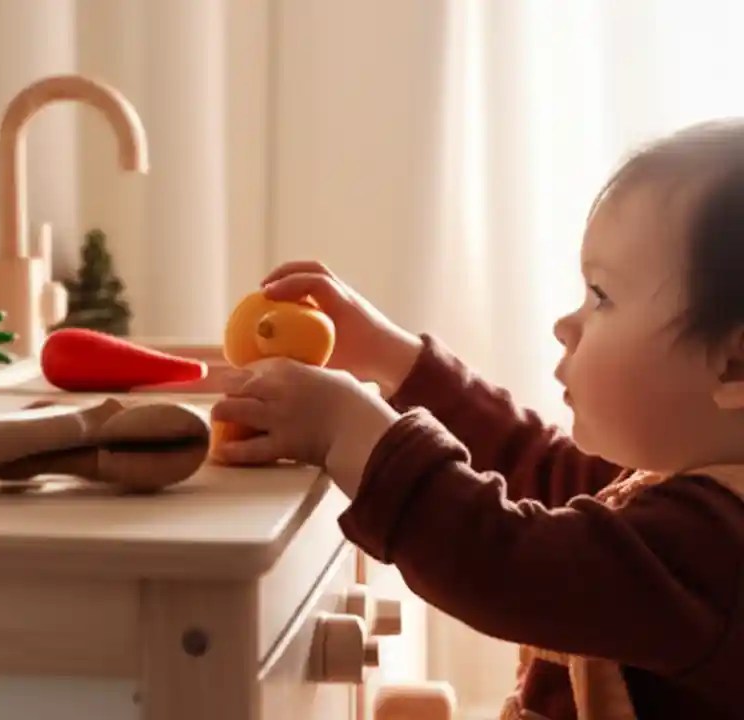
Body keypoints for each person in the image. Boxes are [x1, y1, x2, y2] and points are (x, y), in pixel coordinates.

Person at [211, 119, 744, 719]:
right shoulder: (685, 495)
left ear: (732, 367)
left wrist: (351, 433)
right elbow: (540, 468)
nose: (566, 325)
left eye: (602, 296)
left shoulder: (715, 553)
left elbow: (508, 565)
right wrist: (395, 359)